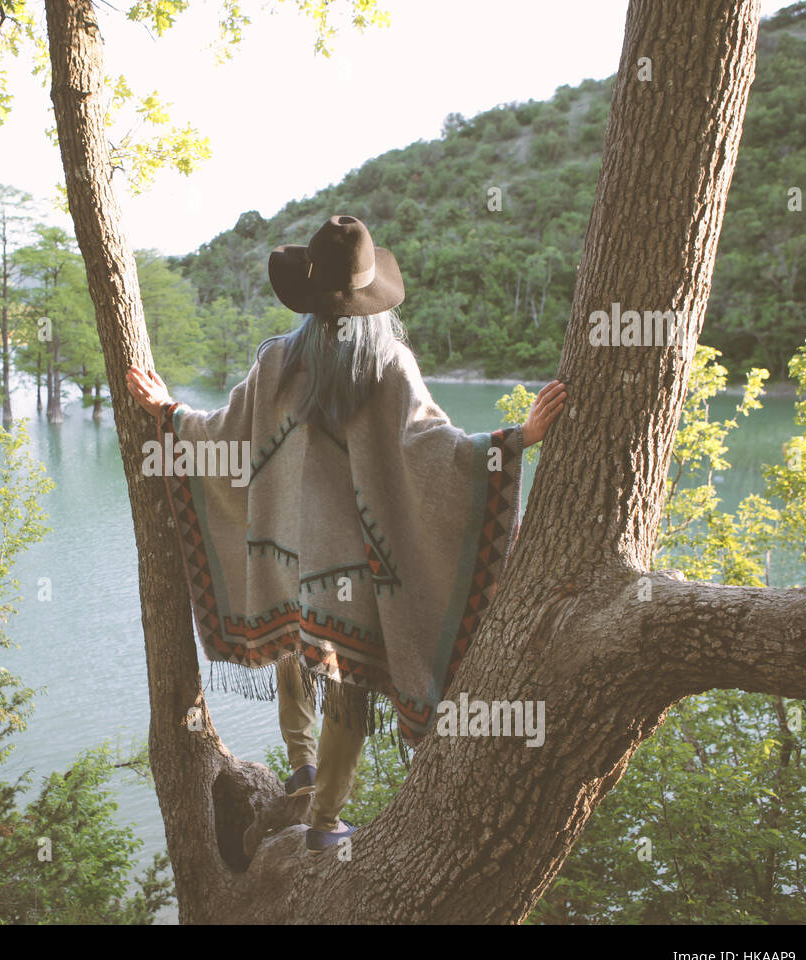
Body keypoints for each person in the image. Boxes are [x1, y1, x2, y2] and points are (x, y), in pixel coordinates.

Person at [127, 214, 565, 853]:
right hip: (352, 566)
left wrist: (168, 413)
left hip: (283, 550)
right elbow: (433, 451)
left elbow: (223, 435)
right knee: (349, 681)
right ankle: (325, 820)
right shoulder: (388, 364)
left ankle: (301, 766)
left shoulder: (278, 359)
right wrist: (511, 442)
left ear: (307, 296)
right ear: (370, 299)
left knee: (296, 642)